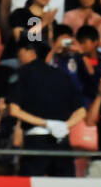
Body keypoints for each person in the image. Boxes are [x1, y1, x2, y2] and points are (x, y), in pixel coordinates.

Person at [7, 38, 86, 177]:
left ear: (31, 52)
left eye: (20, 51)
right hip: (62, 141)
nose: (18, 55)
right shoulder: (62, 75)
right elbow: (81, 111)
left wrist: (46, 124)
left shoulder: (23, 73)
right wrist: (63, 125)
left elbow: (14, 110)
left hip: (36, 143)